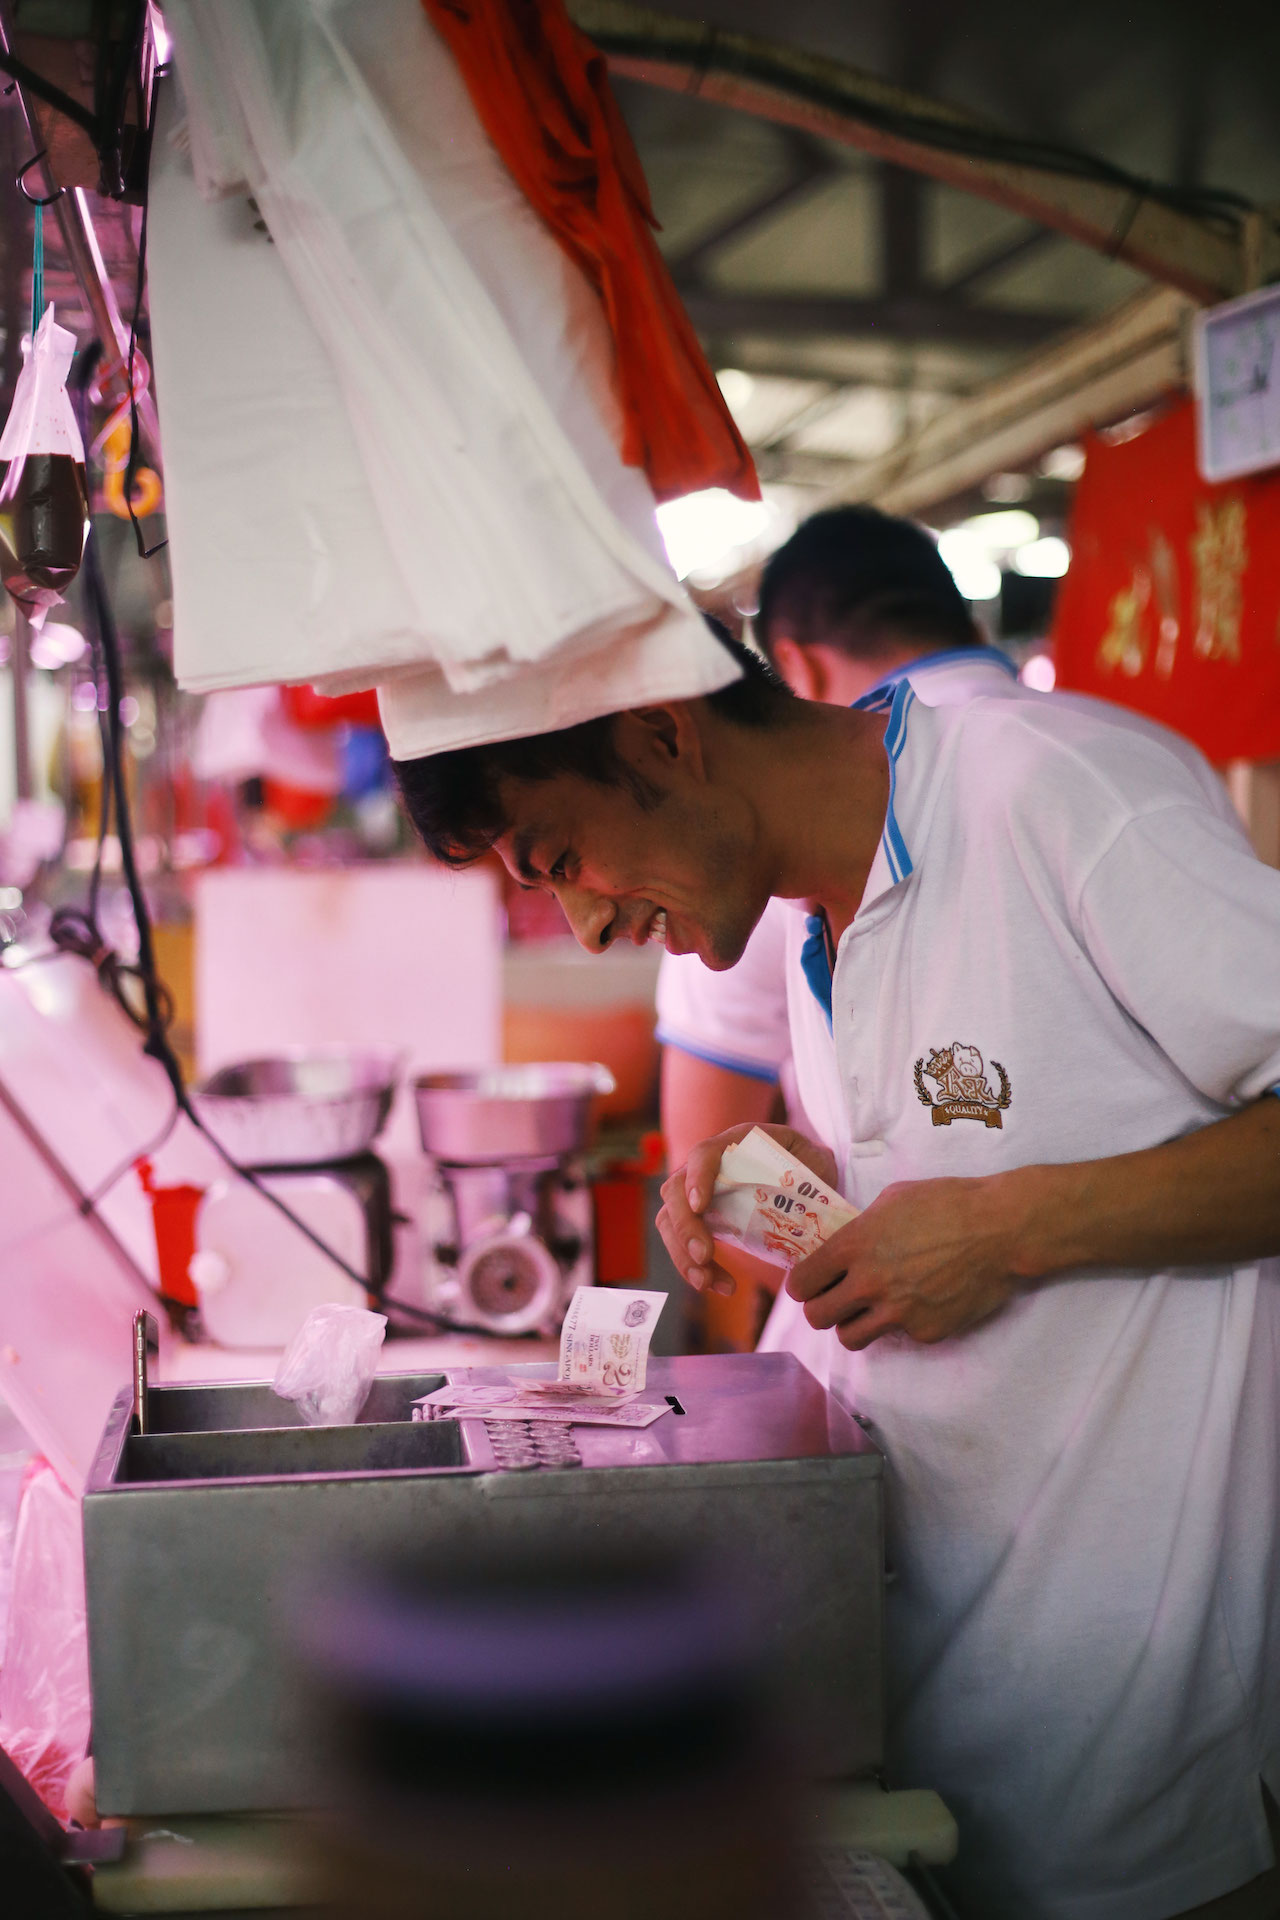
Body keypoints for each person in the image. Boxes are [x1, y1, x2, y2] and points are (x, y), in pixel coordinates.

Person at [393, 629, 1280, 1919]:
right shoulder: (808, 918)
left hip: (1135, 1790)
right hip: (915, 1749)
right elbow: (988, 1150)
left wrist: (1007, 1230)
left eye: (560, 859)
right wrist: (794, 1184)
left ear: (660, 734)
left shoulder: (1048, 791)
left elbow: (997, 1211)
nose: (586, 928)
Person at [658, 506, 1020, 1175]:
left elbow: (708, 1165)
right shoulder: (1144, 752)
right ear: (968, 627)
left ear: (794, 667)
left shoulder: (763, 831)